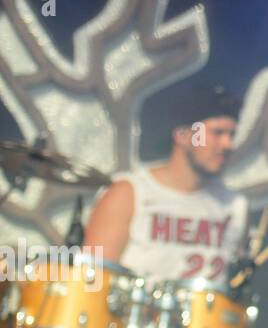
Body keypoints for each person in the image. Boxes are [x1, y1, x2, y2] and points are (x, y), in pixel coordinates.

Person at [82, 85, 248, 283]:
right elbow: (92, 279)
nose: (227, 145)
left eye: (232, 135)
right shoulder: (129, 192)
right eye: (217, 133)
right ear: (182, 135)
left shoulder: (234, 205)